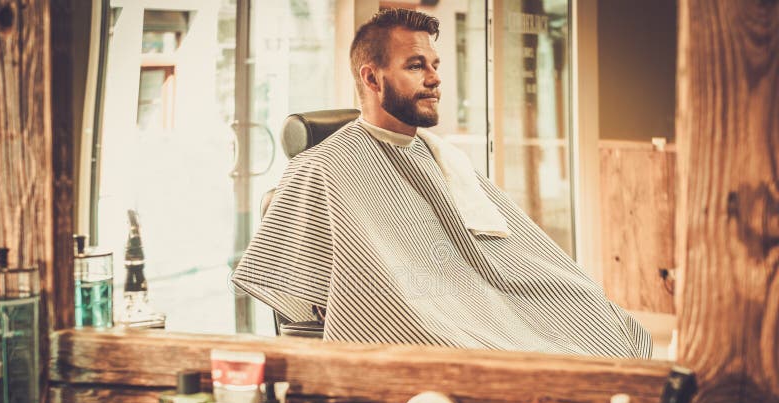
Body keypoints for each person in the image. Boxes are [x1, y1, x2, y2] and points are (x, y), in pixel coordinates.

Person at [231, 8, 652, 358]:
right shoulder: (323, 167)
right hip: (432, 321)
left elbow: (501, 253)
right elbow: (301, 293)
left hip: (479, 303)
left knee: (609, 323)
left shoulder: (437, 155)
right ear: (372, 79)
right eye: (416, 66)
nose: (434, 78)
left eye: (434, 65)